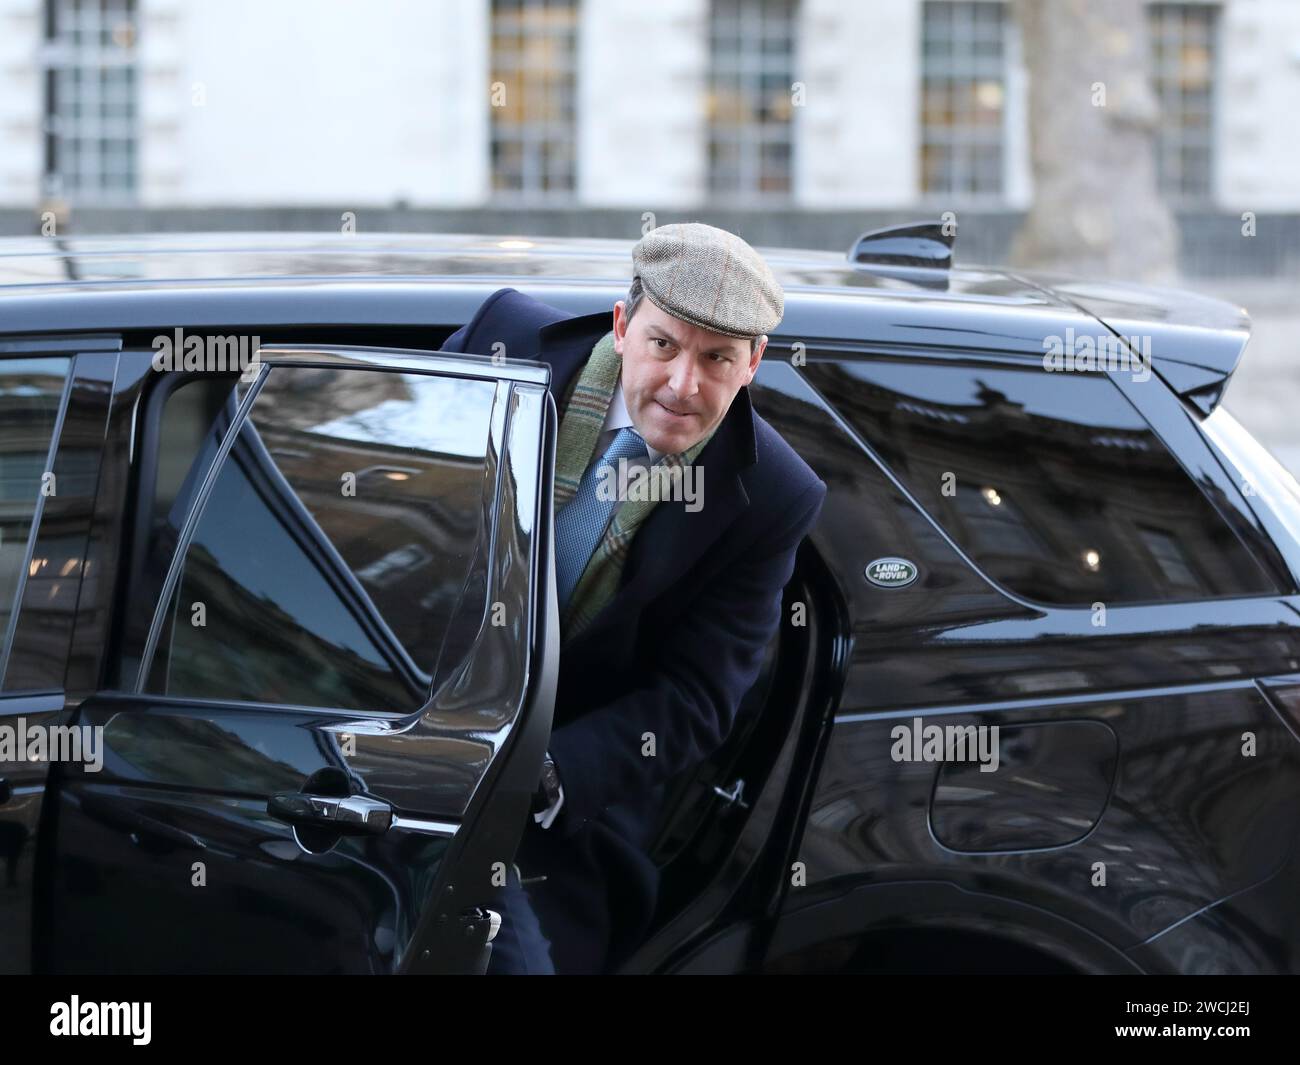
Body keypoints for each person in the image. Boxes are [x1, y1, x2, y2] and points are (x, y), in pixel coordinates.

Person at [441, 222, 827, 974]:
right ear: (622, 327)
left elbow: (696, 696)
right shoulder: (506, 343)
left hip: (545, 811)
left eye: (717, 357)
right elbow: (377, 486)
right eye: (664, 345)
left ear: (754, 363)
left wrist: (538, 770)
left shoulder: (775, 495)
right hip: (384, 725)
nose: (685, 384)